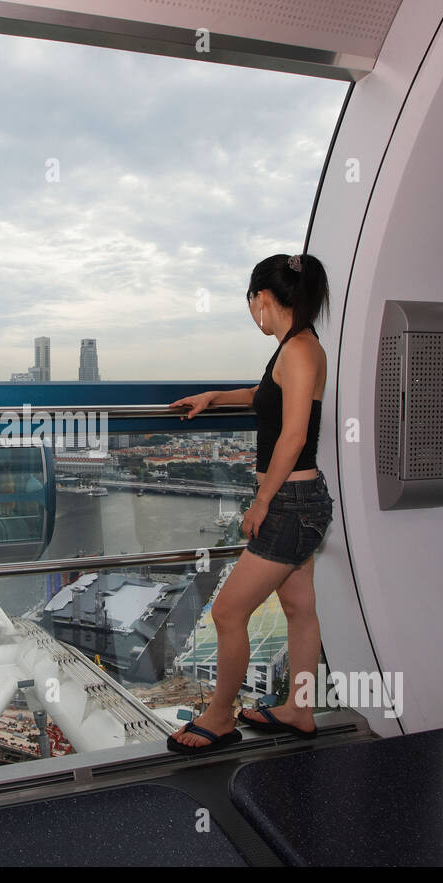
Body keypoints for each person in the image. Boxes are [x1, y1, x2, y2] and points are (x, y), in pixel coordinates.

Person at [165, 252, 333, 753]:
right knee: (300, 607)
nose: (252, 312)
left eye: (251, 303)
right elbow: (266, 395)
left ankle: (218, 718)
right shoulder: (295, 348)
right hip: (299, 499)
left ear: (263, 298)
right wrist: (214, 396)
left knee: (228, 613)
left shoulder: (299, 351)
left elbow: (294, 434)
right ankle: (298, 710)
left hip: (291, 501)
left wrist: (262, 502)